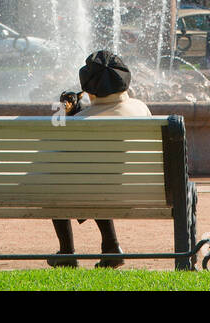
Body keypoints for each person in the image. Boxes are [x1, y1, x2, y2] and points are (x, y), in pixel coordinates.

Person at [49, 50, 152, 269]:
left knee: (60, 180)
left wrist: (64, 109)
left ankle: (67, 252)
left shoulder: (81, 121)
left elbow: (55, 153)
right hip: (141, 192)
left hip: (95, 191)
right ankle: (111, 246)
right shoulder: (141, 109)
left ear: (88, 87)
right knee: (99, 179)